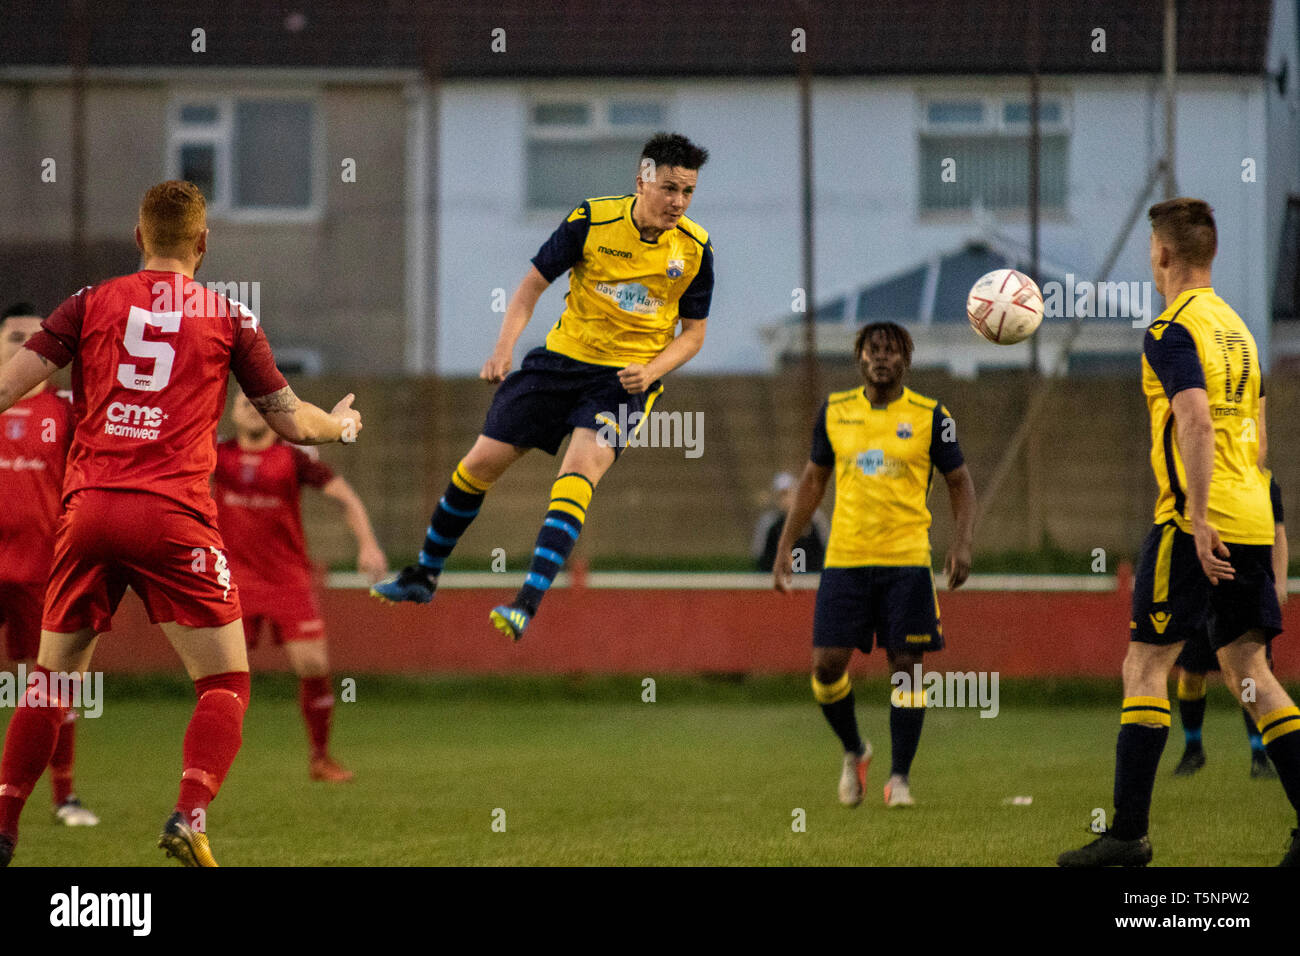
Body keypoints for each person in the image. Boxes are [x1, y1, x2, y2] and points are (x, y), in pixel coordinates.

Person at [0, 180, 362, 867]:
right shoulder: (230, 316)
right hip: (173, 515)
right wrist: (340, 425)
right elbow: (289, 419)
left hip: (89, 512)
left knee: (49, 682)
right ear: (203, 243)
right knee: (227, 682)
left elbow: (7, 387)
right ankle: (189, 816)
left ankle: (4, 825)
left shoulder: (87, 303)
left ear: (139, 239)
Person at [372, 133, 713, 641]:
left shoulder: (695, 249)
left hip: (624, 381)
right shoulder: (591, 220)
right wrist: (503, 349)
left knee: (579, 471)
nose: (678, 202)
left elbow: (694, 335)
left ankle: (525, 604)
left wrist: (655, 370)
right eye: (669, 188)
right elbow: (531, 287)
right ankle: (424, 574)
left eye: (687, 191)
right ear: (643, 179)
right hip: (559, 363)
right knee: (478, 465)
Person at [1058, 198, 1300, 867]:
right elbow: (1255, 439)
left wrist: (1196, 517)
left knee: (1145, 665)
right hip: (1251, 514)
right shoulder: (1241, 332)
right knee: (1250, 675)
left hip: (1197, 521)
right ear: (1211, 253)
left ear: (1162, 253)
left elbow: (1193, 419)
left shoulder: (1171, 329)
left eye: (1150, 249)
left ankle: (1128, 836)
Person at [773, 322, 976, 809]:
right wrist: (785, 545)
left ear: (906, 360)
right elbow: (813, 482)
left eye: (891, 351)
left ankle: (899, 779)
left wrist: (962, 542)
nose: (881, 358)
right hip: (845, 562)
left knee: (906, 670)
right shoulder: (835, 411)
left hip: (906, 562)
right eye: (873, 350)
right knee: (826, 667)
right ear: (859, 358)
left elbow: (960, 482)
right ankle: (854, 750)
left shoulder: (932, 415)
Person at [214, 390, 387, 782]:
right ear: (232, 414)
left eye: (260, 404)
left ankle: (321, 758)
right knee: (220, 673)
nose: (253, 410)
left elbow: (347, 499)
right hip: (234, 581)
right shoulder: (216, 455)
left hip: (288, 579)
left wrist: (368, 545)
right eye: (244, 404)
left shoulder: (295, 457)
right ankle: (211, 761)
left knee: (314, 666)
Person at [0, 302, 97, 826]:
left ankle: (65, 797)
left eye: (32, 338)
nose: (22, 345)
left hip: (41, 569)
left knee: (51, 684)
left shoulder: (66, 410)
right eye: (12, 335)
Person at [1172, 470, 1286, 778]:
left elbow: (1277, 532)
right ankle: (1193, 749)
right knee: (1191, 670)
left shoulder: (1264, 482)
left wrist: (1278, 582)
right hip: (1202, 585)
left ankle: (1259, 754)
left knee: (1249, 673)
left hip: (1243, 581)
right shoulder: (1197, 475)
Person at [752, 471, 828, 573]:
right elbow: (760, 556)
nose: (785, 499)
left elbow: (825, 549)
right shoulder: (769, 522)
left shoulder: (814, 518)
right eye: (780, 495)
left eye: (787, 494)